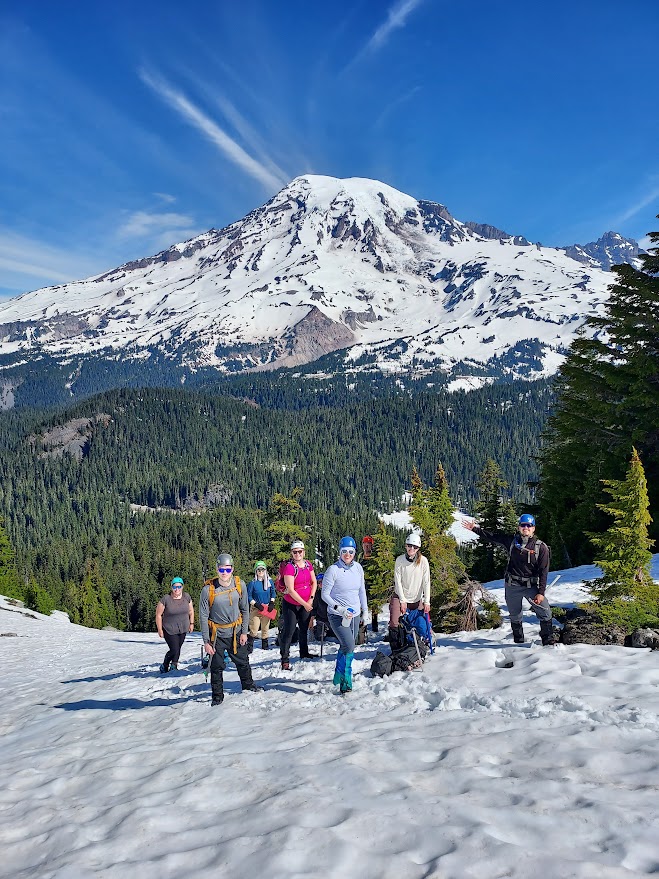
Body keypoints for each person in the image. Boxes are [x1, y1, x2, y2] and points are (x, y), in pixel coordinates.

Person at [462, 513, 555, 645]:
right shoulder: (512, 542)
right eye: (523, 525)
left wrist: (541, 592)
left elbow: (543, 572)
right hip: (512, 586)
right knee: (515, 615)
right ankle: (519, 641)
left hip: (531, 586)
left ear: (533, 528)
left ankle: (548, 639)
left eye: (529, 525)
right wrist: (474, 529)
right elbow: (493, 537)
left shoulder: (541, 548)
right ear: (519, 527)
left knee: (545, 610)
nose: (526, 528)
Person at [200, 553, 260, 705]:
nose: (225, 573)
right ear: (217, 569)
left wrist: (244, 632)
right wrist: (206, 641)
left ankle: (248, 686)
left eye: (228, 569)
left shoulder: (239, 585)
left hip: (236, 631)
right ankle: (217, 696)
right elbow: (203, 616)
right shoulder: (208, 590)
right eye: (221, 570)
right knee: (216, 667)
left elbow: (245, 609)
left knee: (243, 661)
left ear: (232, 569)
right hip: (216, 635)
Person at [321, 536, 369, 694]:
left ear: (354, 552)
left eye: (350, 551)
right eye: (344, 551)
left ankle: (338, 673)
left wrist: (365, 610)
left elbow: (361, 590)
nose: (347, 554)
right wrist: (339, 608)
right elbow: (324, 595)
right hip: (337, 615)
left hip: (354, 614)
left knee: (348, 645)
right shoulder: (333, 570)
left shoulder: (358, 568)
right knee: (349, 645)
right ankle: (346, 679)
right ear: (340, 552)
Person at [279, 539, 318, 670]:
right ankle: (285, 660)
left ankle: (304, 652)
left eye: (299, 552)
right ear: (292, 553)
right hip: (291, 604)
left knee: (304, 628)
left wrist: (311, 599)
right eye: (295, 552)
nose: (297, 554)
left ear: (304, 552)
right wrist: (306, 603)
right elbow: (290, 590)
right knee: (289, 631)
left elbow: (314, 582)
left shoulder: (308, 565)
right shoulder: (290, 568)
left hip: (306, 603)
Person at [390, 532, 431, 643]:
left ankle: (419, 643)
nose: (411, 548)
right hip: (400, 596)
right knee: (394, 623)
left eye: (415, 547)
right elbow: (397, 581)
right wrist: (403, 601)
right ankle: (396, 647)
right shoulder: (400, 560)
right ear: (406, 545)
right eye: (409, 545)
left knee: (421, 622)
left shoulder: (423, 561)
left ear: (418, 548)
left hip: (417, 599)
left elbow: (426, 581)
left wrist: (427, 601)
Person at [156, 576, 194, 673]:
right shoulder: (166, 599)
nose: (177, 589)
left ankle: (174, 665)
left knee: (178, 648)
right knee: (174, 649)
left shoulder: (186, 597)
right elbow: (158, 615)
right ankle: (165, 664)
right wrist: (160, 630)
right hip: (169, 629)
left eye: (179, 587)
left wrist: (192, 623)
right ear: (171, 587)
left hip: (183, 627)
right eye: (174, 587)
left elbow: (191, 611)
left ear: (182, 587)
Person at [247, 561, 276, 651]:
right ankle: (249, 647)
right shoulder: (253, 583)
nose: (260, 571)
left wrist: (271, 602)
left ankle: (265, 646)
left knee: (265, 627)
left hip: (266, 608)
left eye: (262, 569)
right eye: (258, 569)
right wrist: (256, 604)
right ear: (256, 571)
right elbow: (248, 596)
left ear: (265, 570)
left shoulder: (269, 581)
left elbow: (273, 592)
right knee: (254, 628)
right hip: (256, 608)